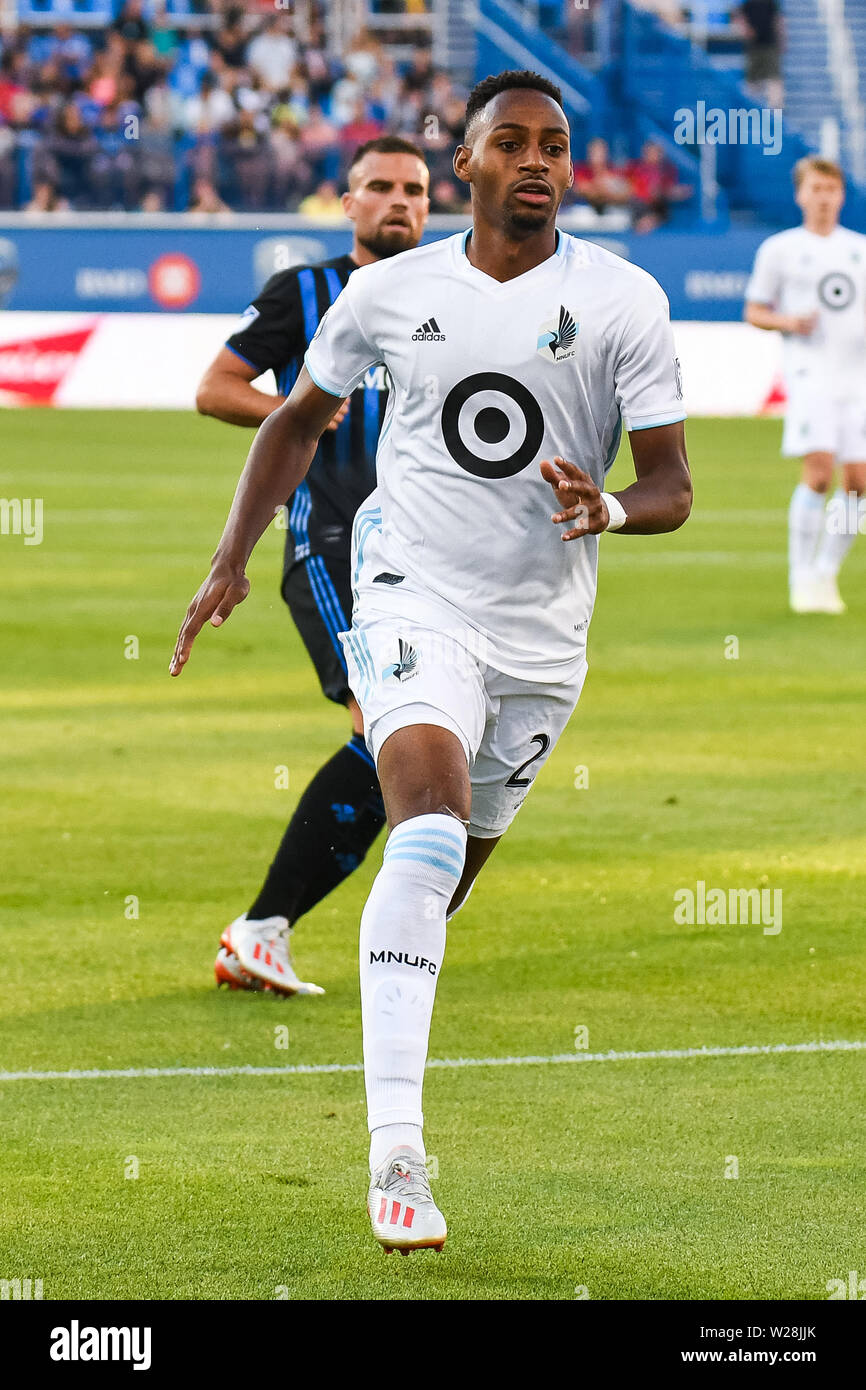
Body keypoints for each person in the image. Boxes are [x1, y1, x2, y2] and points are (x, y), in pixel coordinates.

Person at [171, 70, 691, 1252]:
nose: (536, 160)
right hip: (412, 590)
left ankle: (342, 961)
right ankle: (395, 1148)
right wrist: (229, 561)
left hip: (543, 640)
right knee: (424, 827)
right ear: (465, 164)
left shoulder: (622, 300)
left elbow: (670, 484)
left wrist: (607, 509)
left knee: (442, 882)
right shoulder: (388, 291)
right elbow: (296, 421)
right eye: (508, 142)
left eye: (554, 144)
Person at [194, 136, 430, 995]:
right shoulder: (306, 293)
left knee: (410, 738)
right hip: (327, 538)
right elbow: (216, 385)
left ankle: (270, 932)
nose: (397, 201)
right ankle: (264, 930)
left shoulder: (444, 293)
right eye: (380, 187)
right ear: (348, 200)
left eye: (413, 188)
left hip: (422, 553)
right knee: (384, 724)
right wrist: (292, 413)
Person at [745, 157, 866, 614]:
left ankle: (826, 572)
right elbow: (755, 310)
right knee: (819, 472)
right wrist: (789, 322)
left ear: (841, 194)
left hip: (859, 378)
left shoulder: (860, 248)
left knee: (858, 484)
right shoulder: (781, 249)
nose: (823, 197)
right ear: (800, 194)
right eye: (815, 188)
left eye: (831, 189)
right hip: (811, 373)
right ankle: (800, 574)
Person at [734, 0, 783, 111]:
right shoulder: (748, 4)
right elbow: (739, 17)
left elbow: (778, 21)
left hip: (770, 44)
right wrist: (745, 30)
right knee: (753, 79)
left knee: (773, 77)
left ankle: (776, 109)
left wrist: (781, 39)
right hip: (754, 46)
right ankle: (751, 108)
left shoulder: (770, 3)